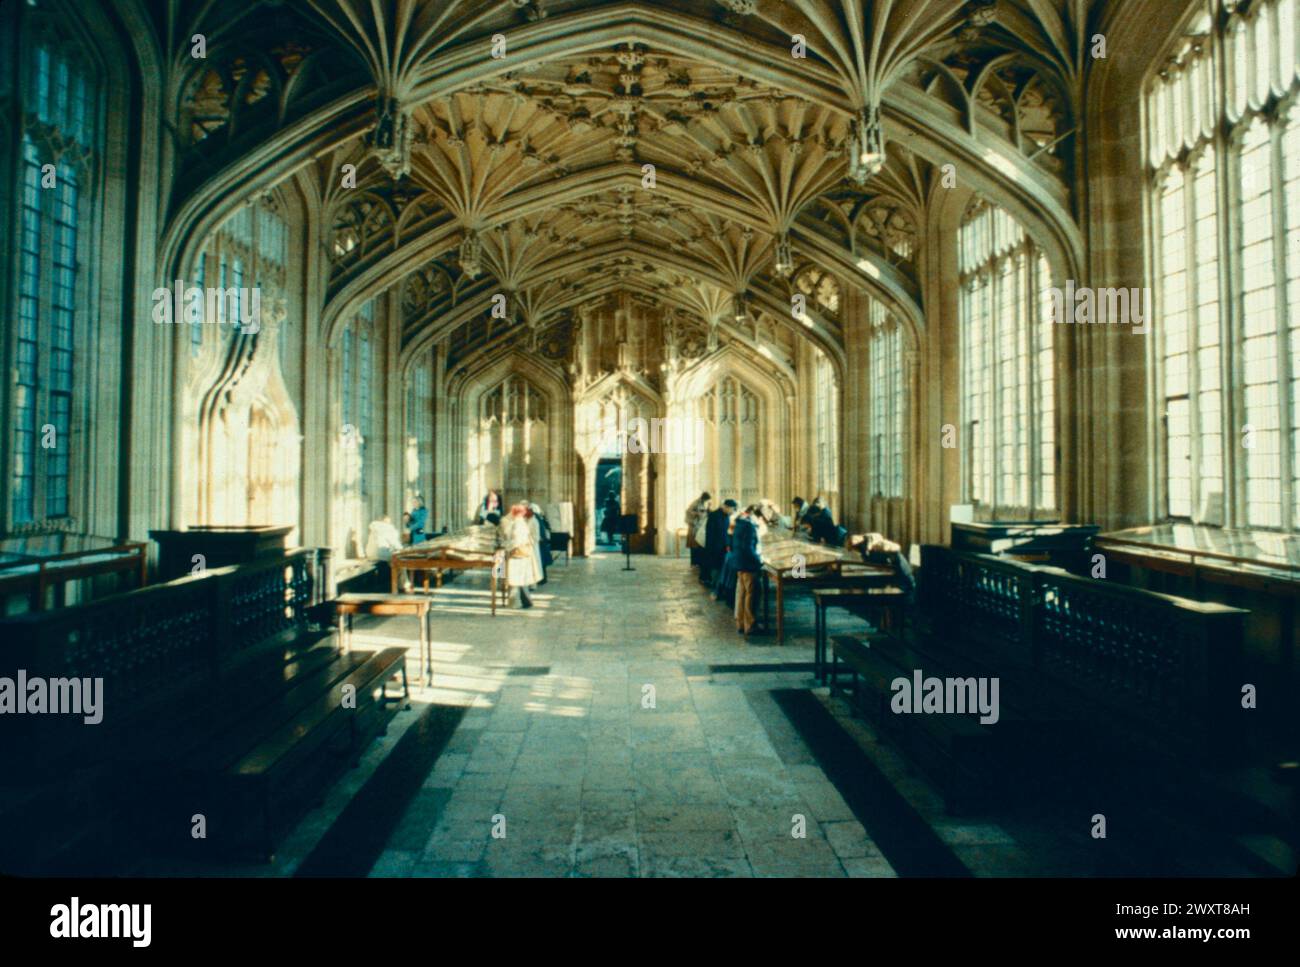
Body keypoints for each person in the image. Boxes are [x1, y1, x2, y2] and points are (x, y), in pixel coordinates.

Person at [499, 503, 539, 608]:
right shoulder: (521, 522)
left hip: (517, 554)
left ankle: (515, 603)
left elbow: (516, 540)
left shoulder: (517, 523)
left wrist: (505, 546)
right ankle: (526, 601)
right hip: (522, 554)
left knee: (514, 580)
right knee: (521, 580)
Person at [732, 504, 764, 636]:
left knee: (742, 594)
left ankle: (740, 623)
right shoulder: (750, 527)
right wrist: (759, 561)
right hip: (748, 565)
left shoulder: (740, 523)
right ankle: (750, 625)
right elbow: (749, 548)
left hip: (739, 563)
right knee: (752, 594)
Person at [365, 514, 406, 590]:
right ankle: (402, 585)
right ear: (385, 521)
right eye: (389, 522)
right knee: (401, 561)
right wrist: (403, 549)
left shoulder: (374, 527)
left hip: (370, 554)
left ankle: (391, 583)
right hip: (380, 554)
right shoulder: (387, 528)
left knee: (391, 558)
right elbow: (395, 543)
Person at [702, 498, 735, 585]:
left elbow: (726, 531)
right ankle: (709, 581)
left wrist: (727, 543)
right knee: (712, 565)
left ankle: (717, 583)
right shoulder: (714, 515)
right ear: (726, 507)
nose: (732, 512)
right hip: (713, 545)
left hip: (722, 545)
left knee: (719, 566)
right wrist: (711, 547)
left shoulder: (727, 516)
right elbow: (710, 533)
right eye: (732, 509)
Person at [684, 491, 711, 567]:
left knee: (698, 544)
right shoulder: (696, 503)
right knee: (694, 545)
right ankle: (694, 562)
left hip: (699, 525)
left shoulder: (702, 503)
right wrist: (697, 513)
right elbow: (689, 511)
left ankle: (698, 561)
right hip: (694, 525)